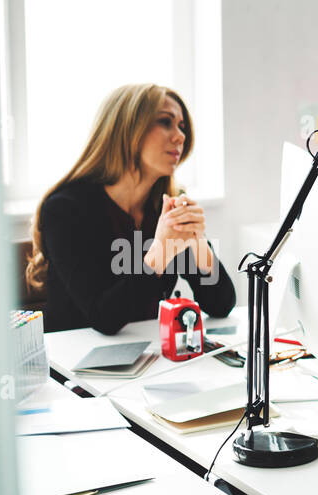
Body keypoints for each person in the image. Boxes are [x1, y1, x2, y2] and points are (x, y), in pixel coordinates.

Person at [28, 84, 236, 333]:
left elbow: (221, 305)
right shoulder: (66, 210)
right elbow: (103, 317)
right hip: (79, 362)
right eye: (165, 122)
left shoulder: (165, 205)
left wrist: (197, 242)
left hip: (151, 357)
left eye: (181, 126)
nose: (180, 136)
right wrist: (160, 252)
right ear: (125, 130)